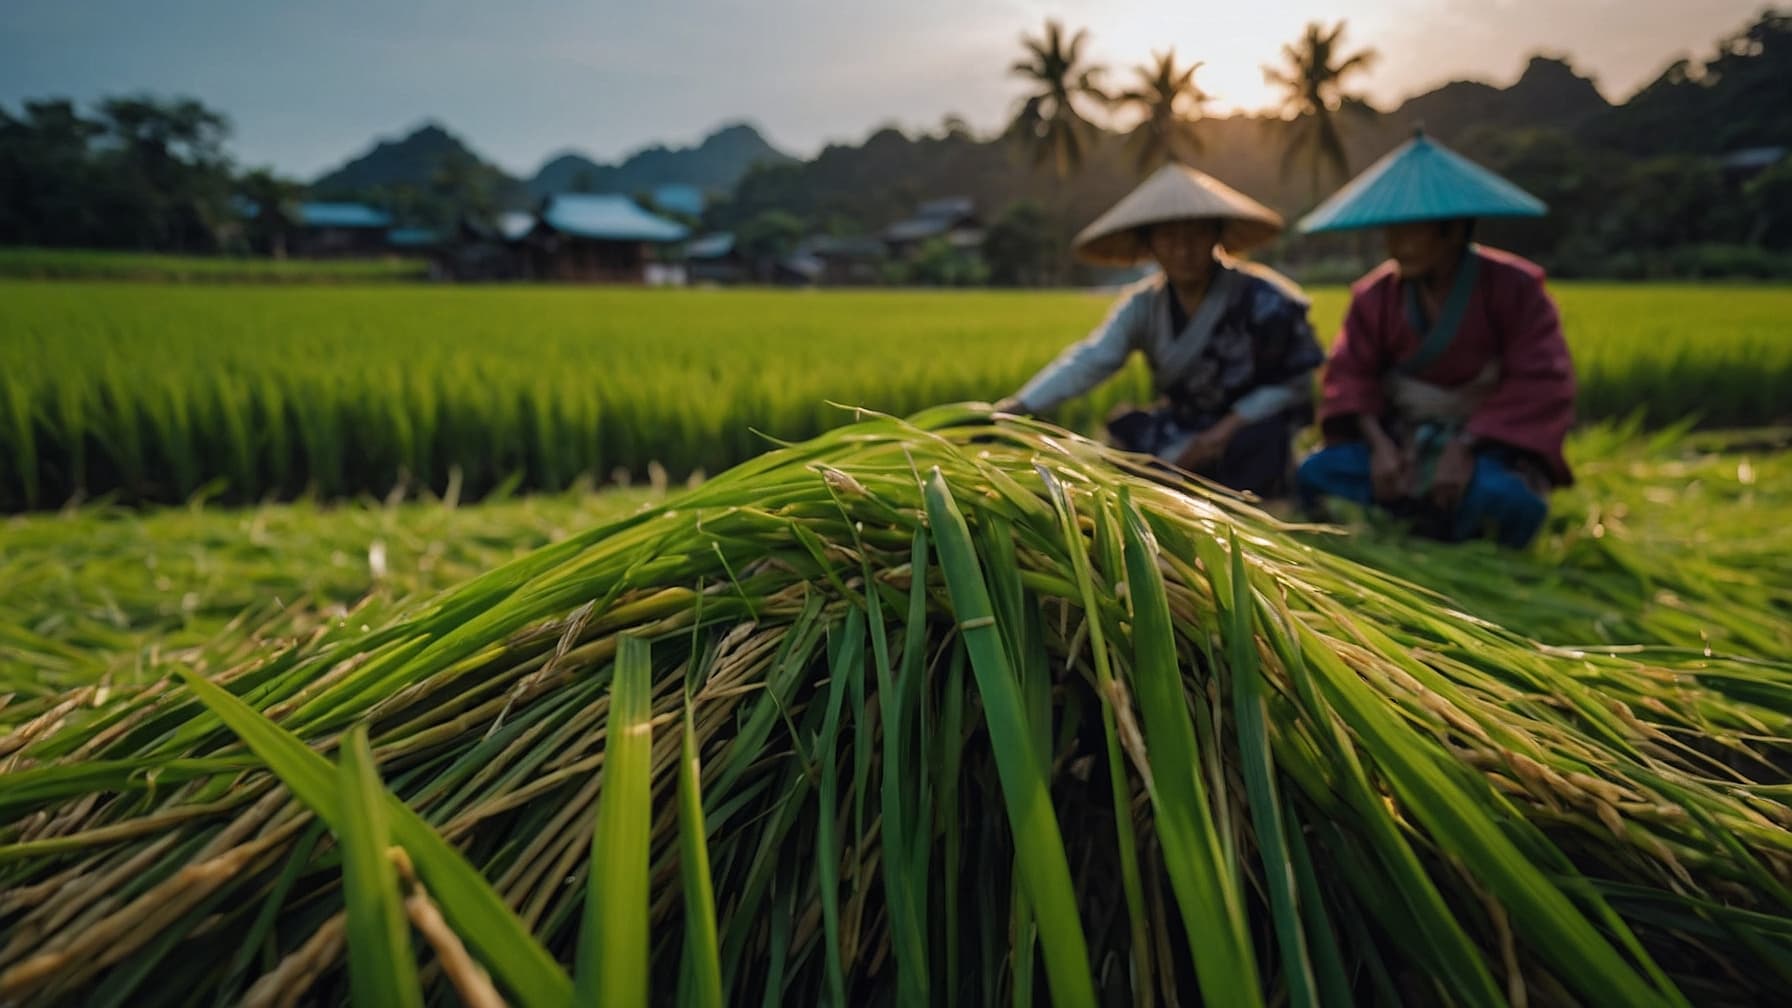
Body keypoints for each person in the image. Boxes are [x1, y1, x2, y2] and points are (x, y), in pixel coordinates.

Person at [1293, 130, 1576, 548]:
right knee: (1315, 473)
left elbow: (1540, 380)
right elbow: (1350, 375)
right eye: (1391, 232)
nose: (1395, 245)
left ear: (1455, 231)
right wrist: (1380, 446)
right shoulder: (1374, 296)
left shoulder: (1515, 288)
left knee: (1511, 501)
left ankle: (1449, 531)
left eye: (1411, 232)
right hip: (1397, 436)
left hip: (1486, 441)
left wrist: (1464, 447)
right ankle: (1412, 519)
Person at [995, 163, 1323, 499]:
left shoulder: (1266, 301)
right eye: (1169, 238)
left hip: (1244, 427)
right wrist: (1018, 406)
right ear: (1149, 244)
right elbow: (1092, 358)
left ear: (1217, 234)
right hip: (1183, 426)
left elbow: (1293, 383)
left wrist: (1218, 435)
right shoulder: (1143, 305)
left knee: (1260, 444)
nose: (1183, 250)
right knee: (1126, 432)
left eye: (1196, 235)